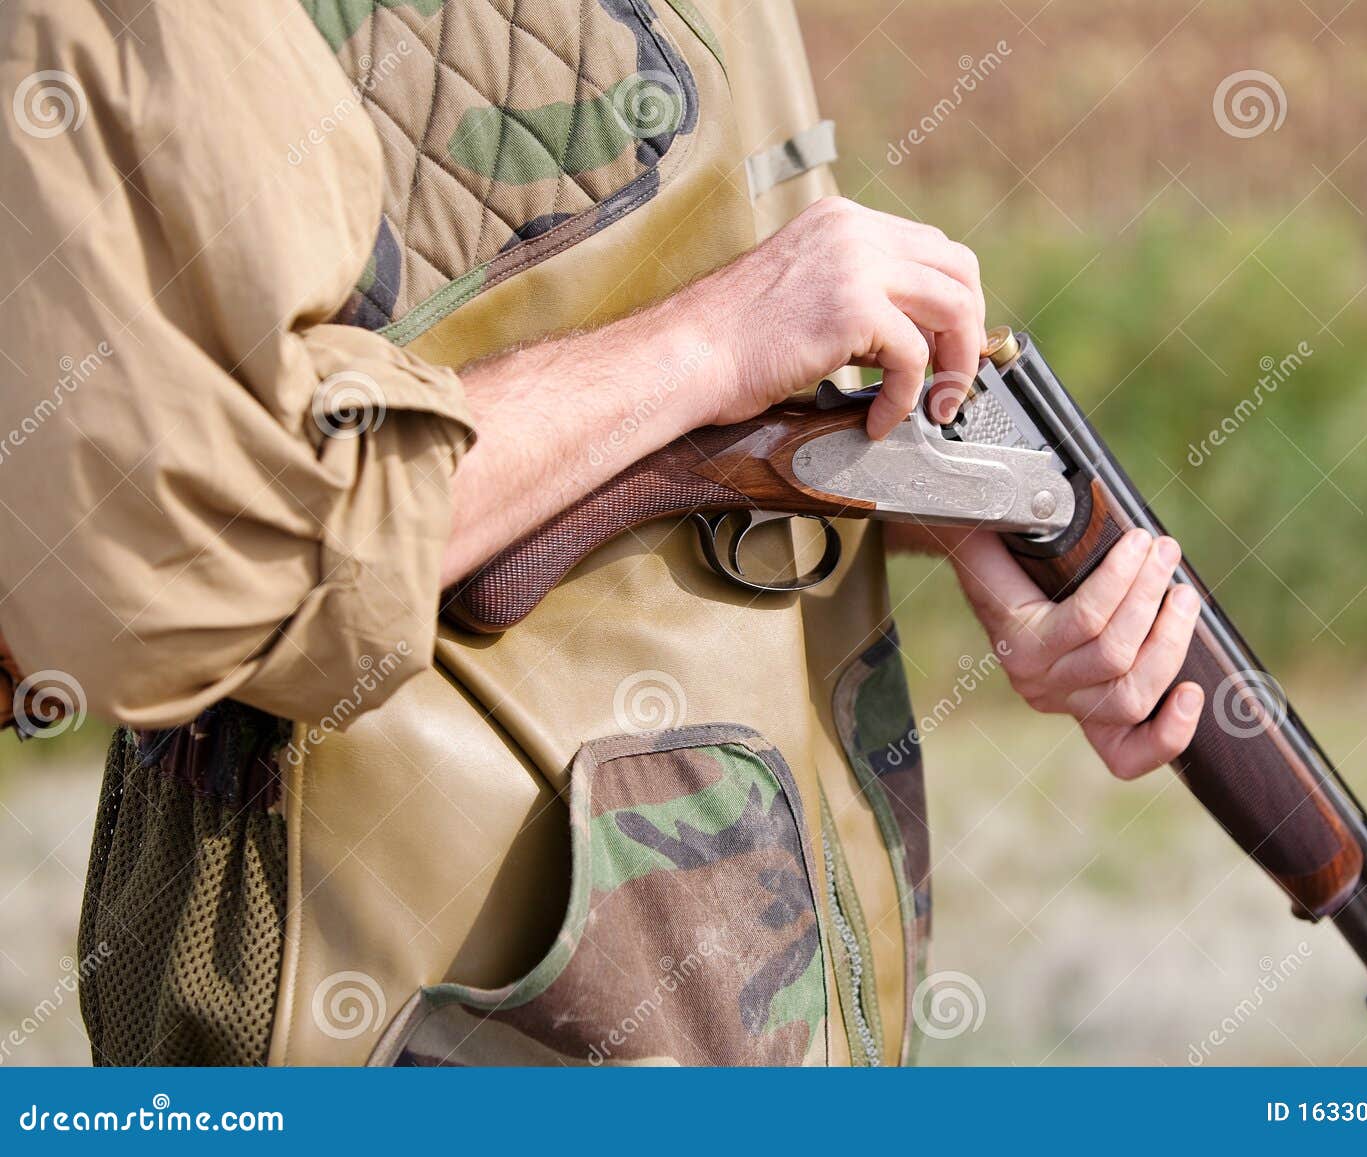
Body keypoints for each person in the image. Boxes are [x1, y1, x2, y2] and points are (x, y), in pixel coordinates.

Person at [0, 0, 1202, 1066]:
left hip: (776, 999)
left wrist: (962, 498)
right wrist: (704, 344)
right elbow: (172, 566)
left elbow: (744, 319)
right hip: (416, 1013)